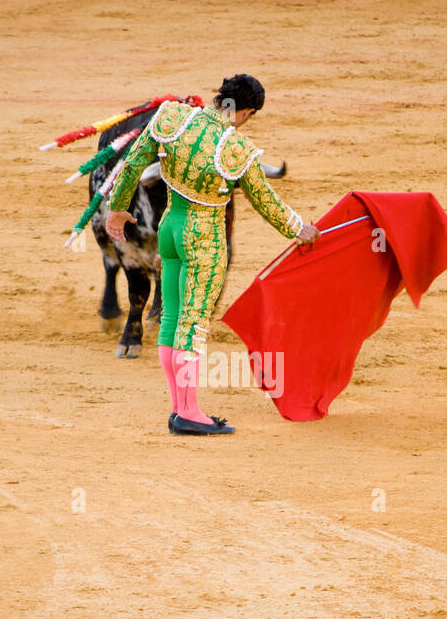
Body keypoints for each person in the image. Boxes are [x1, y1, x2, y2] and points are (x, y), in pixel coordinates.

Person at [105, 74, 319, 436]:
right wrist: (300, 228)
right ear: (247, 111)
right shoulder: (237, 149)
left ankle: (179, 408)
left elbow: (132, 164)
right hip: (203, 238)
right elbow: (266, 201)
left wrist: (116, 209)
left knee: (172, 318)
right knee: (193, 324)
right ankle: (188, 413)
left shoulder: (172, 117)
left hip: (169, 229)